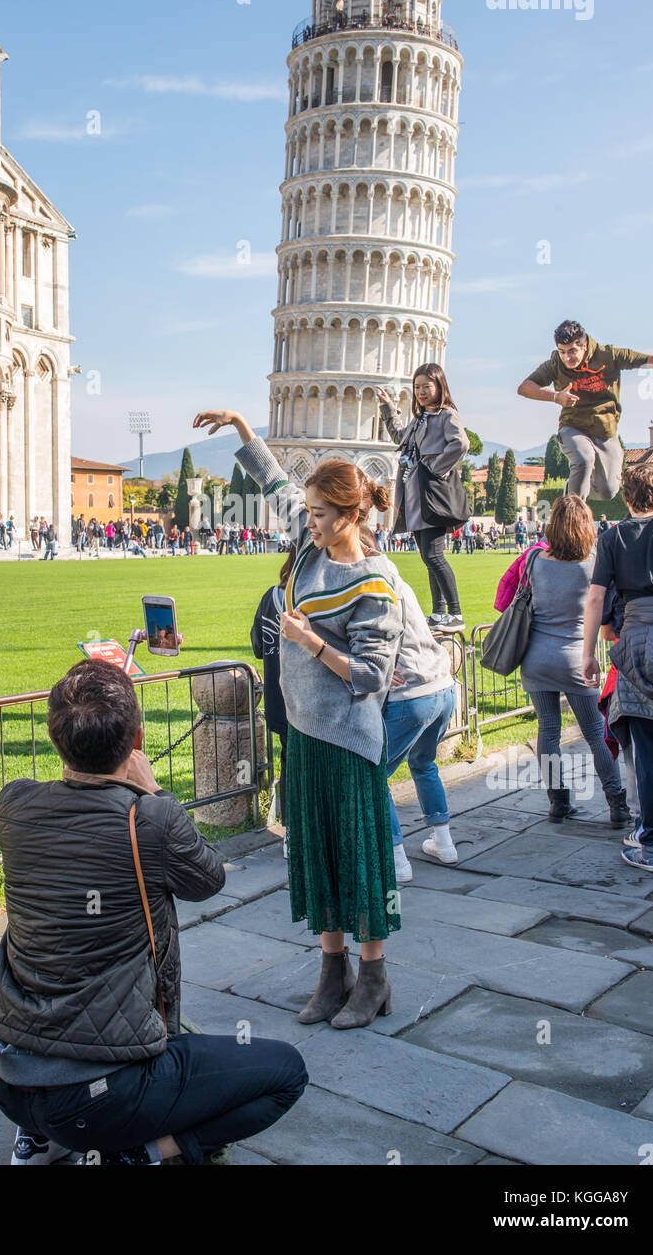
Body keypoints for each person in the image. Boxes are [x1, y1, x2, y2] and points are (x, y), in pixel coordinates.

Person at [0, 659, 307, 1166]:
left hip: (6, 1077)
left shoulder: (14, 805)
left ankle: (36, 1134)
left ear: (54, 736)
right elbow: (208, 879)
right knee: (285, 1073)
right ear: (137, 738)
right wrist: (151, 790)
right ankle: (145, 1153)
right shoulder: (150, 817)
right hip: (100, 1098)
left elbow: (72, 823)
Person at [195, 406, 402, 1030]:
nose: (307, 522)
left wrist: (312, 644)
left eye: (318, 515)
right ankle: (331, 969)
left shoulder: (374, 578)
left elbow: (373, 676)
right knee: (313, 852)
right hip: (305, 736)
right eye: (308, 513)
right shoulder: (309, 548)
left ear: (350, 515)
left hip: (347, 740)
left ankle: (374, 975)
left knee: (357, 855)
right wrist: (241, 429)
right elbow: (277, 486)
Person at [583, 465, 653, 873]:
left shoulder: (613, 536)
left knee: (648, 751)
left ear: (626, 497)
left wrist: (588, 653)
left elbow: (595, 599)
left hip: (636, 642)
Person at [515, 495, 627, 825]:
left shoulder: (534, 560)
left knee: (548, 731)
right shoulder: (592, 564)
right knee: (595, 733)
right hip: (576, 657)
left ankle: (558, 801)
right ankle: (617, 802)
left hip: (536, 657)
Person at [517, 320, 653, 502]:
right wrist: (555, 397)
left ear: (584, 346)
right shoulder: (556, 364)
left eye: (572, 351)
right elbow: (525, 387)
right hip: (573, 427)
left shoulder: (608, 356)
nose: (567, 358)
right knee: (583, 459)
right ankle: (572, 512)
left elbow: (651, 361)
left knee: (607, 491)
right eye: (562, 351)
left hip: (605, 430)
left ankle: (575, 486)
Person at [377, 364, 469, 634]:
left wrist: (435, 469)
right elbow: (399, 437)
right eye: (417, 387)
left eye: (426, 386)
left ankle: (455, 612)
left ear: (440, 386)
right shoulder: (420, 420)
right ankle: (439, 612)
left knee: (434, 555)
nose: (421, 392)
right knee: (428, 557)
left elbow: (461, 444)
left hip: (433, 495)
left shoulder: (446, 415)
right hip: (415, 497)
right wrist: (387, 407)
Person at [382, 571, 459, 884]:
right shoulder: (400, 580)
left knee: (373, 774)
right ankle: (444, 843)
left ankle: (396, 857)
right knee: (424, 763)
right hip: (442, 685)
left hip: (411, 693)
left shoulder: (371, 583)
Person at [251, 546, 295, 855]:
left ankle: (291, 830)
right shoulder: (311, 596)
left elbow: (257, 645)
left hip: (279, 701)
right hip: (309, 703)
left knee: (289, 762)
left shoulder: (271, 596)